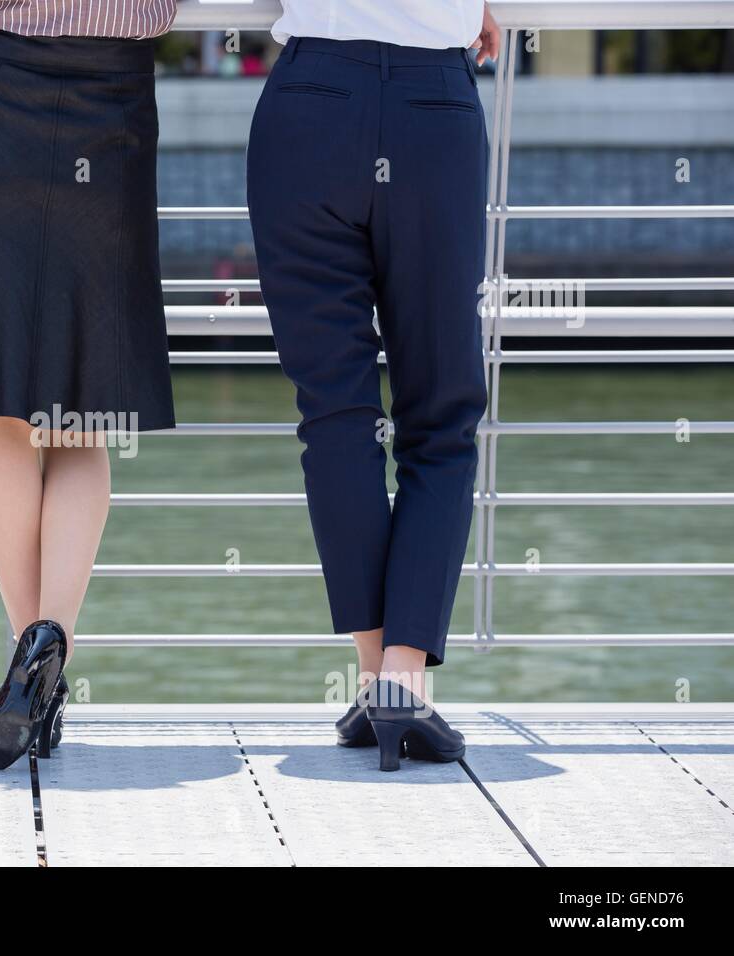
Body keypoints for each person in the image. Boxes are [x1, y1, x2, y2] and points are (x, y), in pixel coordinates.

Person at [0, 1, 178, 769]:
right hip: (112, 104)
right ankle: (38, 664)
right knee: (83, 421)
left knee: (2, 412)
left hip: (0, 99)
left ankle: (30, 668)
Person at [246, 1, 502, 770]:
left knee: (336, 412)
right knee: (442, 412)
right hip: (434, 108)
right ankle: (403, 675)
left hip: (311, 105)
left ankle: (375, 672)